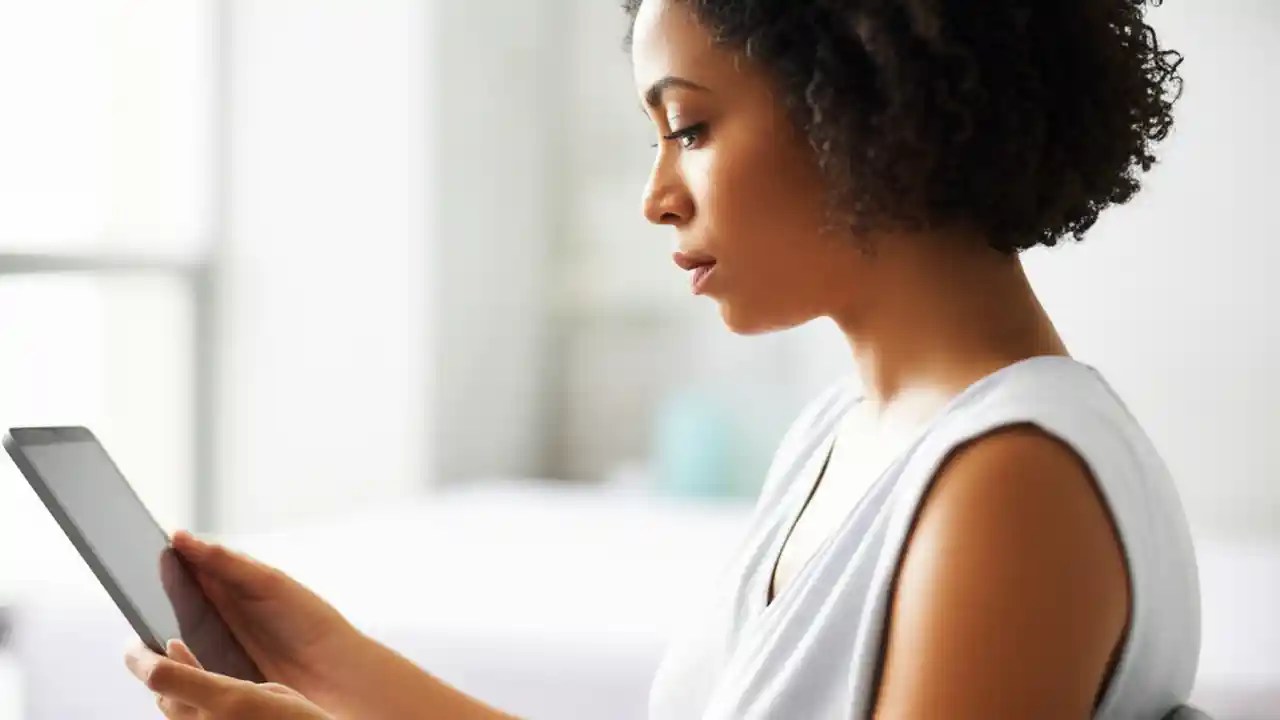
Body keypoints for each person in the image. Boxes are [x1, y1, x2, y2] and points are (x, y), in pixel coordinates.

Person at [126, 0, 1198, 717]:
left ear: (868, 105)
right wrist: (330, 663)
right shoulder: (846, 431)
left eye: (687, 127)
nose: (656, 196)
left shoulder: (1008, 484)